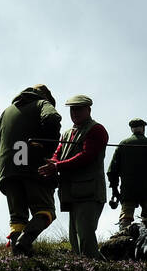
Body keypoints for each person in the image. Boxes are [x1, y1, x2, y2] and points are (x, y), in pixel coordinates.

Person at [0, 84, 61, 256]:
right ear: (46, 97)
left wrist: (1, 169)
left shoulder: (7, 112)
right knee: (46, 210)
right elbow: (52, 119)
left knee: (17, 218)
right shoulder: (42, 103)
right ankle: (24, 242)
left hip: (9, 173)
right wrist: (47, 147)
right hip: (34, 168)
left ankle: (18, 257)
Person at [38, 94, 108, 258]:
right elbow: (58, 153)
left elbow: (86, 156)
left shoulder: (97, 129)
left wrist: (56, 166)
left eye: (79, 109)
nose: (74, 112)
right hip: (72, 192)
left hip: (89, 192)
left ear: (89, 109)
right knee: (75, 238)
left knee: (86, 238)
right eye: (72, 109)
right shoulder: (68, 133)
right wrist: (53, 163)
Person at [108, 118, 147, 228]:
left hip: (128, 188)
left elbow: (112, 170)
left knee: (126, 217)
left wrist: (114, 188)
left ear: (132, 129)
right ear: (143, 128)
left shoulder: (123, 144)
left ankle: (123, 238)